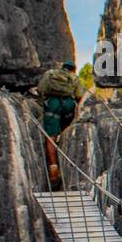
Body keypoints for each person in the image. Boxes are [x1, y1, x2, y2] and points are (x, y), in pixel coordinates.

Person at [36, 61, 81, 189]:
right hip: (68, 106)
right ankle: (64, 141)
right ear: (73, 69)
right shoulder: (75, 78)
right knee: (65, 128)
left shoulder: (50, 74)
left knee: (51, 137)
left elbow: (40, 89)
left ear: (62, 68)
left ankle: (53, 168)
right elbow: (79, 96)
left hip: (53, 105)